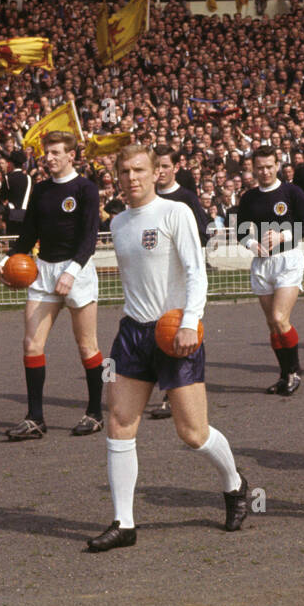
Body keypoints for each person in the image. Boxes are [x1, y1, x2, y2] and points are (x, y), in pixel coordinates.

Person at [88, 144, 249, 552]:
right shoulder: (120, 222)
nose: (132, 178)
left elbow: (197, 272)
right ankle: (124, 523)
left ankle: (234, 484)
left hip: (177, 330)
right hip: (133, 333)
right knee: (120, 424)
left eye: (139, 169)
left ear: (156, 172)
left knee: (193, 433)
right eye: (124, 172)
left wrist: (190, 322)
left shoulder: (175, 212)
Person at [2, 131, 105, 441]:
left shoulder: (86, 188)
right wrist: (8, 261)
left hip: (77, 270)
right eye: (47, 153)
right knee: (31, 344)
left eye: (56, 152)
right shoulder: (42, 189)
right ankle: (35, 418)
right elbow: (27, 233)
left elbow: (89, 236)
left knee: (87, 345)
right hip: (43, 271)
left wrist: (72, 271)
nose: (49, 158)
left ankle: (95, 412)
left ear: (71, 155)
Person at [235, 145, 304, 396]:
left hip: (288, 259)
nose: (265, 171)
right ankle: (284, 374)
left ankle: (294, 371)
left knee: (281, 319)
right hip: (262, 264)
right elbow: (240, 231)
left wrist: (283, 236)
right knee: (272, 324)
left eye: (269, 166)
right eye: (260, 167)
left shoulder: (292, 192)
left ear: (278, 164)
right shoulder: (249, 197)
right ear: (253, 168)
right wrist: (252, 244)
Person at [146, 144, 212, 420]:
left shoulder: (186, 198)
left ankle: (176, 394)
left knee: (178, 329)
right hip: (153, 279)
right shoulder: (145, 199)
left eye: (164, 166)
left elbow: (204, 233)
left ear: (176, 167)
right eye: (156, 166)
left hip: (181, 277)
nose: (160, 172)